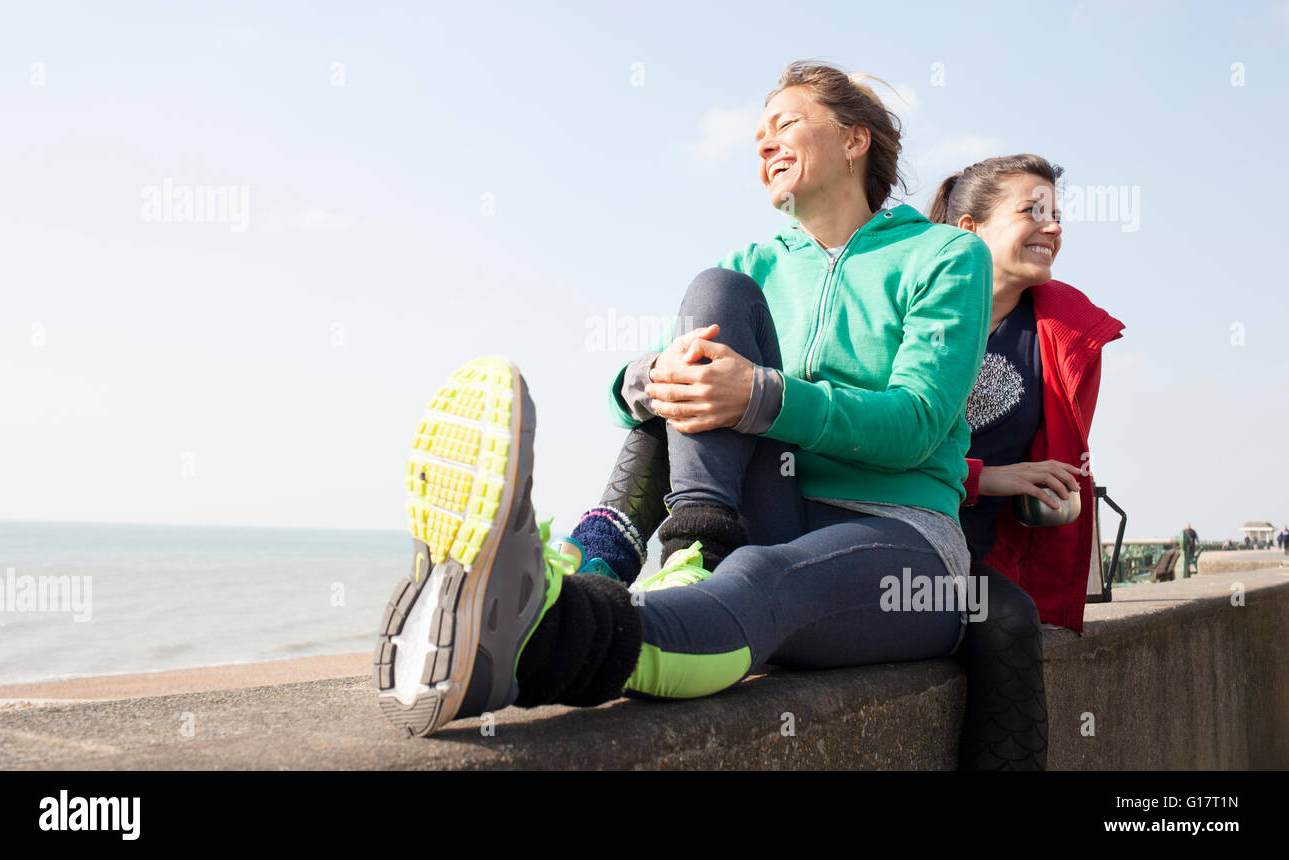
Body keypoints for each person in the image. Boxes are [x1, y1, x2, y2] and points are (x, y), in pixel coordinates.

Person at [375, 60, 994, 738]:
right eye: (758, 136)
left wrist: (761, 395)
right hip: (769, 507)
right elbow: (629, 404)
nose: (764, 144)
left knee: (764, 574)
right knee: (713, 298)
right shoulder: (754, 265)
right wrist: (650, 377)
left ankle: (544, 629)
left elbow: (916, 424)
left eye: (785, 124)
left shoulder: (945, 255)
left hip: (901, 543)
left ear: (855, 140)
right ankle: (671, 554)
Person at [930, 154, 1125, 769]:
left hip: (987, 562)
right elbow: (869, 446)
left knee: (1006, 617)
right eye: (1032, 211)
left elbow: (1061, 459)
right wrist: (987, 478)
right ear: (969, 231)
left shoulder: (1065, 331)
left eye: (1058, 215)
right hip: (897, 538)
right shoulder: (911, 318)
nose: (1054, 227)